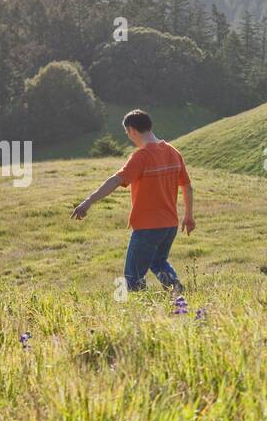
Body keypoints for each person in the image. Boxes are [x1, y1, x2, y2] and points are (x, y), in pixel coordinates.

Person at [70, 109, 195, 294]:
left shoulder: (141, 157)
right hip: (169, 225)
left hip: (147, 227)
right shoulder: (173, 152)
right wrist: (189, 216)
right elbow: (187, 186)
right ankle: (177, 293)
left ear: (132, 130)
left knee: (132, 276)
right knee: (158, 262)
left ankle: (137, 310)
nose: (129, 137)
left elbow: (115, 180)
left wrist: (89, 200)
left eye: (128, 133)